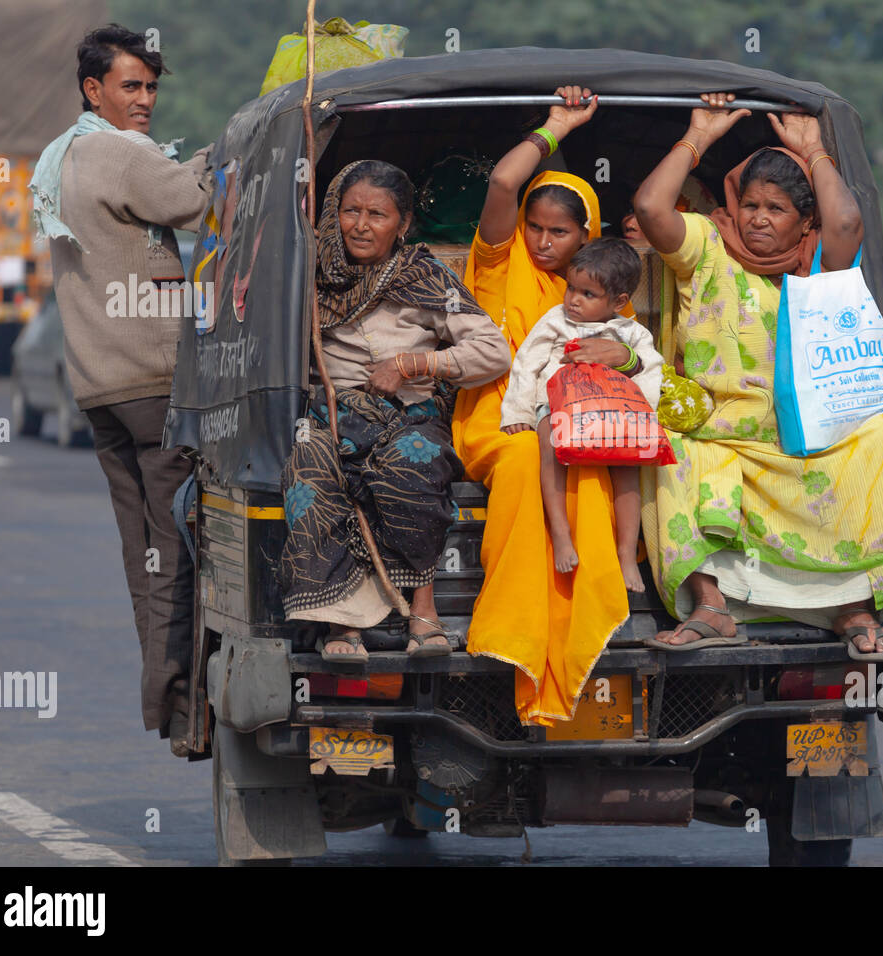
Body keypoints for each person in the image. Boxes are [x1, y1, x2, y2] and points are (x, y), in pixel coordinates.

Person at [633, 93, 883, 659]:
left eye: (778, 209)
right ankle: (711, 607)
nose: (759, 218)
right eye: (752, 205)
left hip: (802, 438)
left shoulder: (819, 260)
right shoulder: (708, 246)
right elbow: (649, 208)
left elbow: (847, 219)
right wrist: (698, 137)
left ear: (803, 221)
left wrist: (814, 151)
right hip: (721, 433)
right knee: (666, 450)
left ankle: (852, 608)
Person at [30, 24, 213, 755]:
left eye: (151, 86)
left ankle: (165, 699)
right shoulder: (113, 153)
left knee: (145, 552)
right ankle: (183, 702)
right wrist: (228, 149)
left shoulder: (67, 154)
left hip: (103, 388)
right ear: (94, 90)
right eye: (130, 87)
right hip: (148, 386)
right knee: (176, 551)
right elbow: (191, 200)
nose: (145, 101)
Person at [454, 86, 651, 726]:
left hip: (579, 422)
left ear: (585, 237)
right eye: (535, 228)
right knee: (521, 462)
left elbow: (643, 363)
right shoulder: (496, 265)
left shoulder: (599, 297)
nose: (541, 242)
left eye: (558, 232)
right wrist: (556, 127)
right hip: (500, 421)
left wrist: (618, 360)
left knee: (595, 464)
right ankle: (517, 630)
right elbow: (504, 184)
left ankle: (586, 613)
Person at [279, 160, 509, 659]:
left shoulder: (422, 275)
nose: (360, 225)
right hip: (334, 415)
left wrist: (412, 362)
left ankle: (423, 609)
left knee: (414, 464)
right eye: (350, 211)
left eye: (377, 215)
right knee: (311, 466)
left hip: (409, 414)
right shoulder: (308, 276)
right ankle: (344, 624)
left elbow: (493, 352)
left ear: (402, 225)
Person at [499, 238, 664, 589]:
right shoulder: (555, 321)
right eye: (571, 288)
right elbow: (527, 363)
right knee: (548, 449)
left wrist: (644, 417)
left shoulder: (632, 333)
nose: (573, 299)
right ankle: (561, 535)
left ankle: (625, 553)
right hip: (557, 404)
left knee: (628, 467)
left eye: (588, 294)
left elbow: (651, 372)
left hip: (612, 412)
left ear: (619, 301)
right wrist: (518, 411)